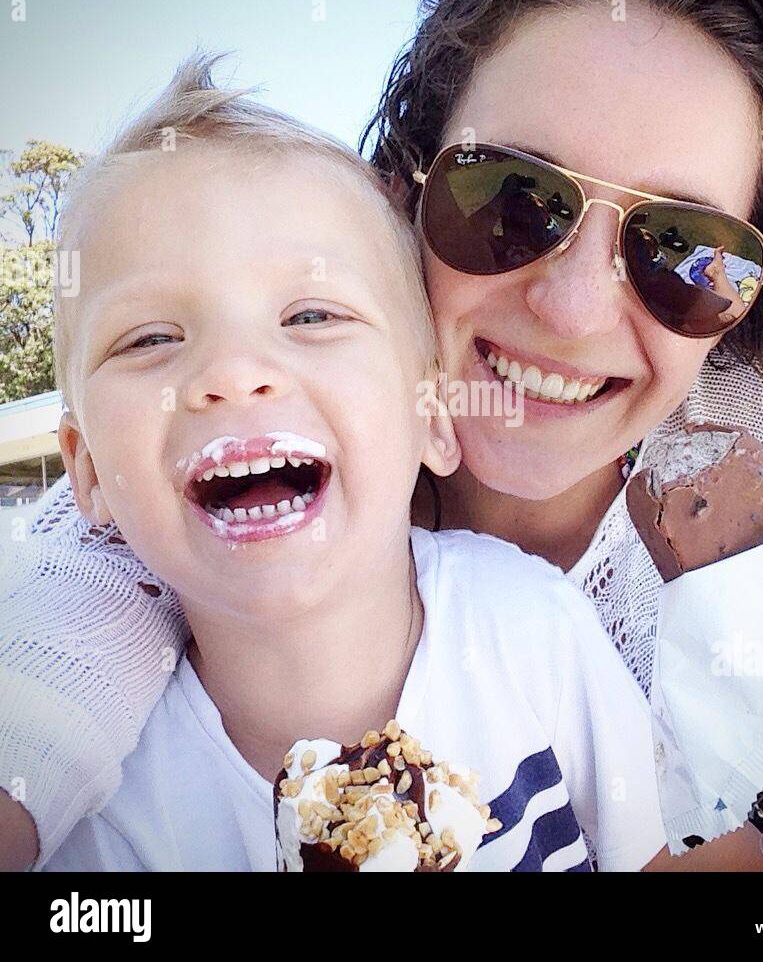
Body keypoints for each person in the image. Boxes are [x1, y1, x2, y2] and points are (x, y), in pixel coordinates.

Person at [2, 0, 763, 872]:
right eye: (510, 195)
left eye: (684, 252)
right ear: (404, 192)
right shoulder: (140, 534)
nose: (571, 311)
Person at [35, 60, 664, 871]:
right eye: (150, 338)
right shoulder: (108, 819)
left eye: (312, 314)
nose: (232, 372)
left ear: (433, 415)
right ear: (88, 474)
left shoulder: (533, 631)